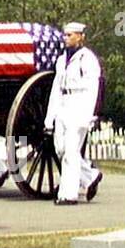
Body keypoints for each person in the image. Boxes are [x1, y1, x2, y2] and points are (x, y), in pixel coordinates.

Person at [44, 21, 102, 205]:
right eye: (65, 35)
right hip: (63, 104)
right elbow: (56, 88)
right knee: (61, 149)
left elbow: (93, 89)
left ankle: (68, 194)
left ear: (80, 37)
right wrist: (49, 117)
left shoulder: (88, 59)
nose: (66, 38)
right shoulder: (62, 60)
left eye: (70, 35)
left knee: (70, 151)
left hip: (79, 105)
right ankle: (90, 176)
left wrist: (89, 115)